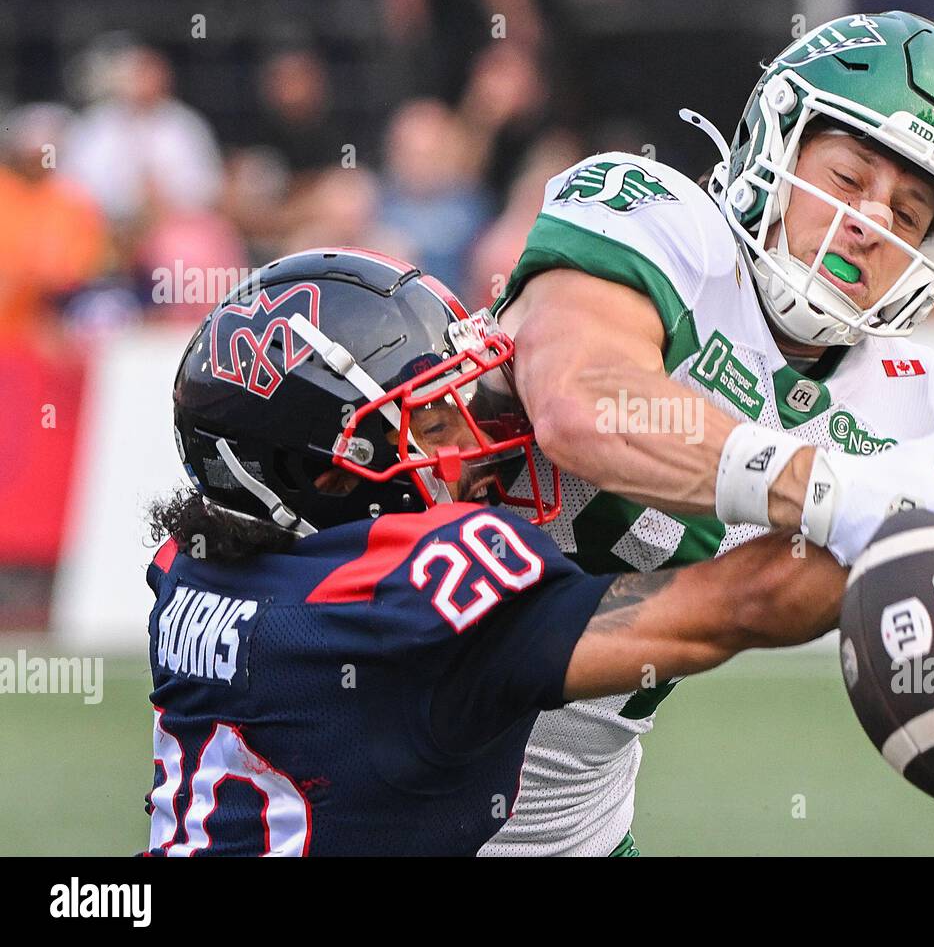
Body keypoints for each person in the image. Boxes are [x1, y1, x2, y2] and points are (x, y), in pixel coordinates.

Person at [482, 10, 934, 855]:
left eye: (910, 215)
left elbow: (754, 600)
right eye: (847, 177)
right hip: (380, 733)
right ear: (773, 147)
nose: (870, 223)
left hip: (569, 826)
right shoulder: (662, 222)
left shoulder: (909, 401)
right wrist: (848, 496)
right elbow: (586, 407)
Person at [142, 247, 850, 856]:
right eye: (434, 422)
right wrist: (901, 524)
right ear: (329, 473)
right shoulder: (400, 604)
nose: (475, 446)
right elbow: (738, 607)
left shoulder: (187, 566)